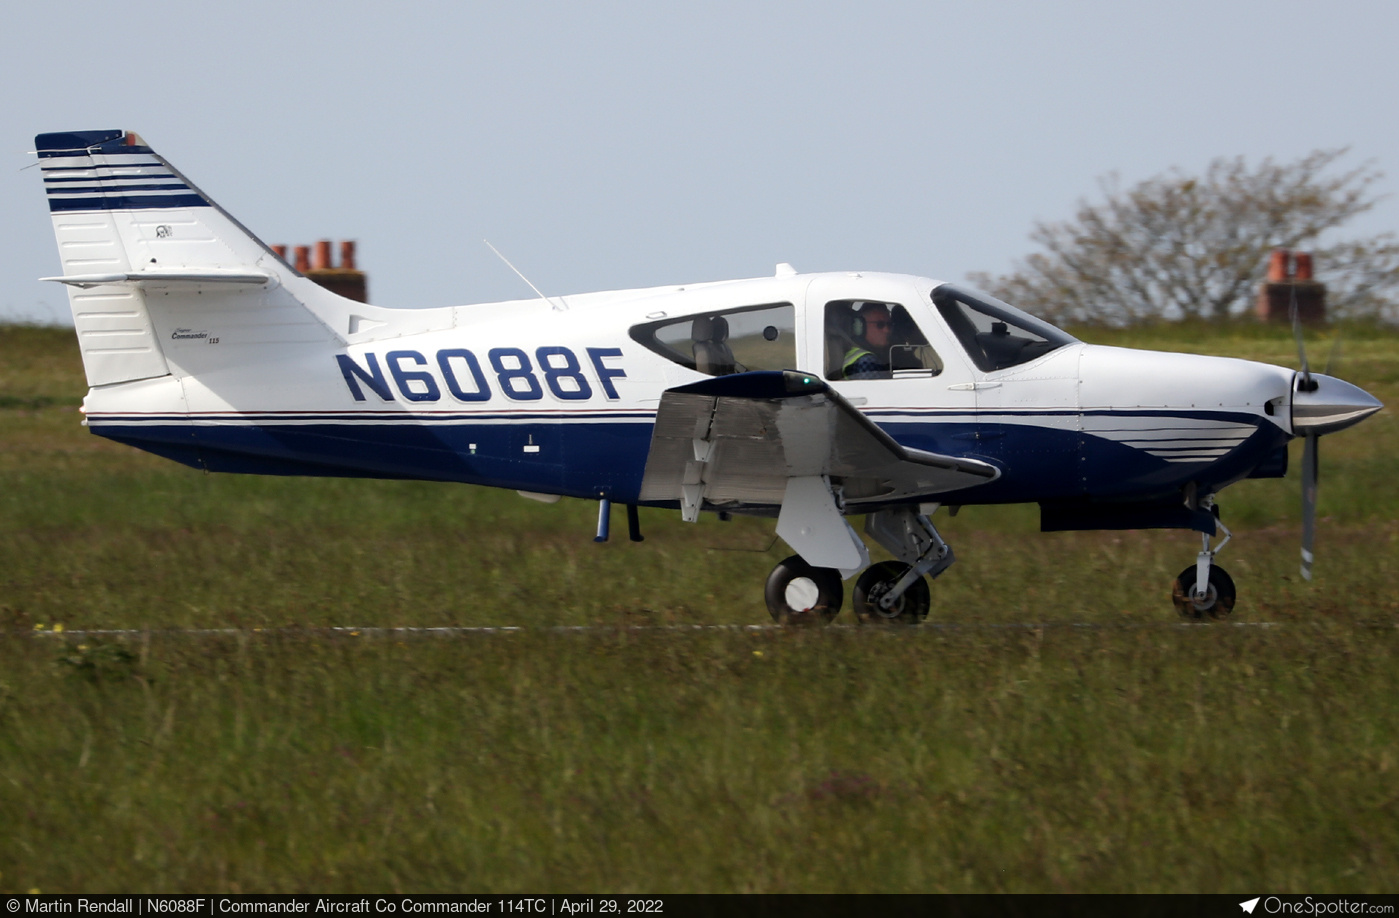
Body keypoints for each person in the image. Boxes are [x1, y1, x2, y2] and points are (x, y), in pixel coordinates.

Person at [840, 303, 894, 379]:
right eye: (880, 325)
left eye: (889, 325)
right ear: (860, 327)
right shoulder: (867, 361)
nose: (887, 330)